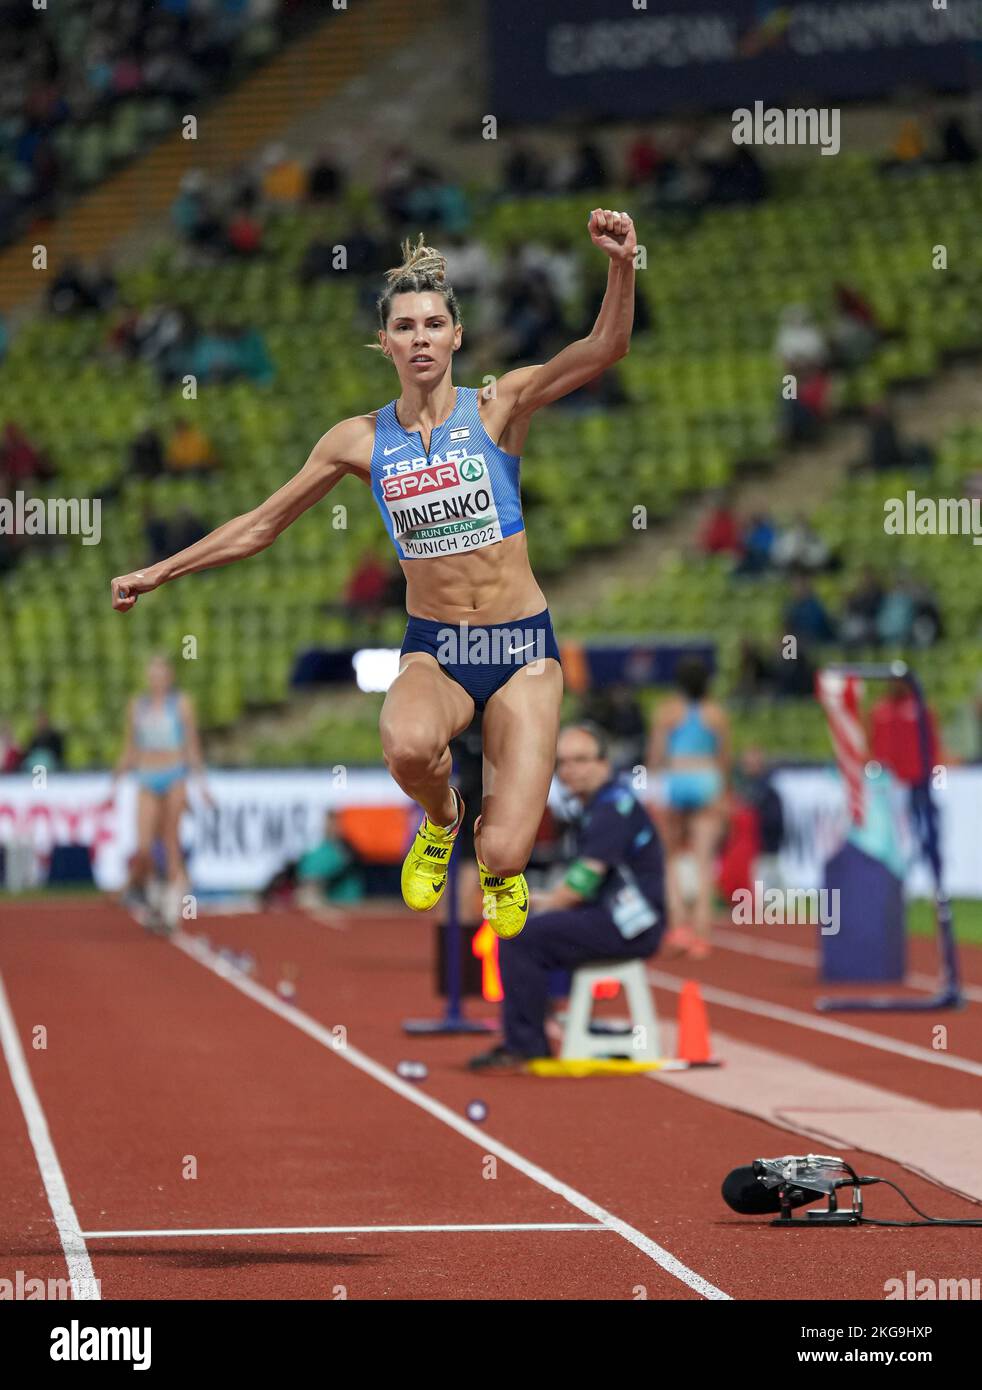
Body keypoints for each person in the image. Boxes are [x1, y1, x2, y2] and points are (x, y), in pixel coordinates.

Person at [111, 211, 638, 942]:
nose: (420, 338)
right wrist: (161, 570)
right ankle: (442, 815)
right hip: (439, 646)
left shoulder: (500, 407)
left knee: (509, 849)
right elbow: (262, 524)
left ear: (456, 336)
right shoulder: (358, 440)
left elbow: (605, 347)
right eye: (404, 327)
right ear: (384, 343)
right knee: (406, 743)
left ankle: (493, 856)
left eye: (432, 324)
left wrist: (622, 264)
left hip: (521, 650)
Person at [468, 722, 666, 1069]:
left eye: (581, 760)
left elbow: (579, 885)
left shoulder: (611, 809)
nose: (570, 770)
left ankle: (526, 1045)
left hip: (628, 923)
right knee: (538, 930)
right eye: (563, 762)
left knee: (520, 936)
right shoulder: (598, 805)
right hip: (618, 917)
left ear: (604, 764)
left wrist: (532, 904)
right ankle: (548, 1024)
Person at [112, 654, 211, 932]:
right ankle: (154, 894)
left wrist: (202, 785)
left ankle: (171, 909)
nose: (156, 680)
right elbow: (130, 747)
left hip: (174, 773)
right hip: (146, 773)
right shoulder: (138, 706)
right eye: (152, 675)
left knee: (171, 842)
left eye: (161, 674)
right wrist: (115, 782)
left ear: (169, 677)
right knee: (143, 847)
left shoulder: (181, 704)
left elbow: (191, 745)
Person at [647, 657, 729, 960]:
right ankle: (702, 936)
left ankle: (679, 926)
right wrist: (722, 795)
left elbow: (655, 757)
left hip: (677, 777)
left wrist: (655, 790)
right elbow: (723, 757)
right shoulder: (716, 714)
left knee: (668, 857)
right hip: (707, 777)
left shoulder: (667, 712)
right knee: (703, 861)